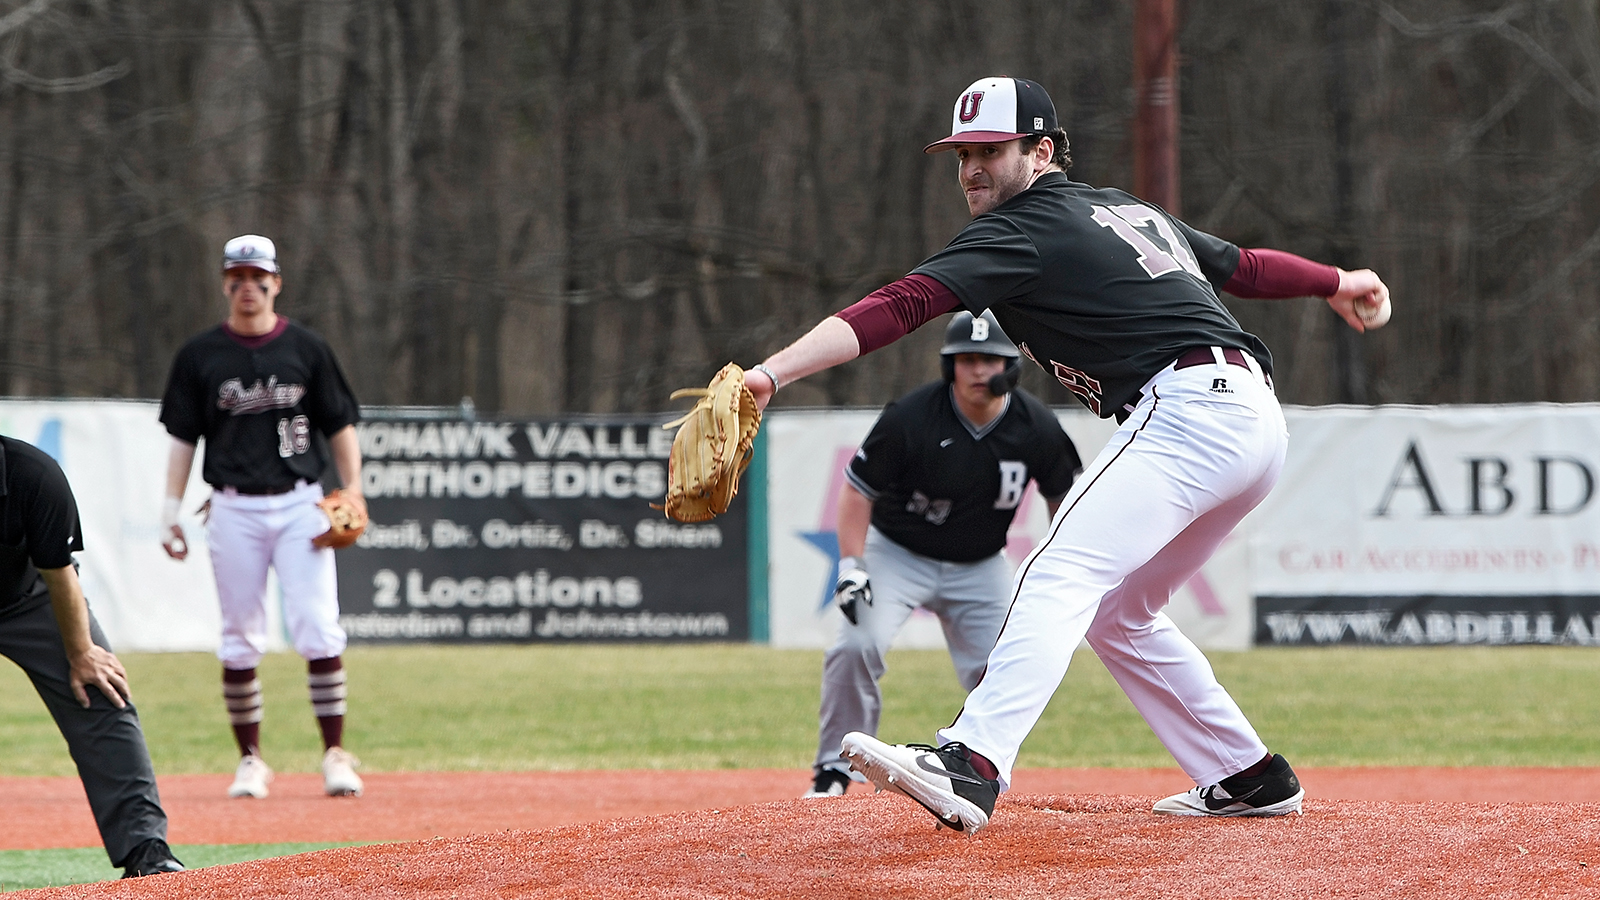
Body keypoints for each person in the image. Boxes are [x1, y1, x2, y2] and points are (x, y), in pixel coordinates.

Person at [744, 77, 1392, 832]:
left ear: (1042, 150)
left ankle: (973, 763)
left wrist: (770, 373)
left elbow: (903, 304)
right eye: (962, 156)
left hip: (1191, 410)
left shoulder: (1019, 228)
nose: (972, 170)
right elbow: (1240, 266)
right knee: (1121, 613)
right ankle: (1247, 776)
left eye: (991, 150)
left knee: (1059, 570)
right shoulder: (1122, 206)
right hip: (1251, 422)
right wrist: (1338, 280)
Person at [804, 310, 1081, 798]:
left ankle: (979, 774)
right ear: (948, 366)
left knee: (1003, 668)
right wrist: (852, 566)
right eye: (967, 359)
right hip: (898, 555)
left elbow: (1065, 500)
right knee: (853, 646)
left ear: (1012, 366)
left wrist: (1072, 562)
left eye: (991, 359)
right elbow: (857, 491)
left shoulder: (1036, 426)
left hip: (981, 563)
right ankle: (833, 772)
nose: (979, 371)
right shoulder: (911, 416)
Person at [158, 234, 367, 800]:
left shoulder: (306, 348)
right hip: (232, 505)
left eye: (258, 278)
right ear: (225, 283)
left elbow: (340, 424)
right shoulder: (201, 355)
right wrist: (169, 511)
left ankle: (334, 753)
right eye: (238, 278)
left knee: (319, 626)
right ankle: (251, 760)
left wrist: (354, 491)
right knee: (239, 636)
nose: (248, 288)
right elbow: (182, 438)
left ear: (276, 283)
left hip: (302, 502)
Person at [0, 435, 184, 877]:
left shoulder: (33, 475)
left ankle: (146, 851)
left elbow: (59, 571)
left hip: (30, 598)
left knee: (102, 690)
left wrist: (82, 653)